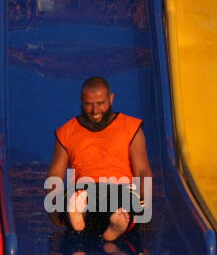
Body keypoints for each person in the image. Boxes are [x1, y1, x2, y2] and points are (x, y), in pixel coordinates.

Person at [46, 76, 152, 242]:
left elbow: (142, 171)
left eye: (101, 103)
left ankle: (83, 218)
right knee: (123, 210)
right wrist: (53, 209)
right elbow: (55, 176)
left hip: (114, 193)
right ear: (81, 100)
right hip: (89, 193)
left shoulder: (130, 128)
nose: (95, 111)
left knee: (122, 205)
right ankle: (109, 225)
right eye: (89, 104)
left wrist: (55, 212)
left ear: (111, 99)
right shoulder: (67, 132)